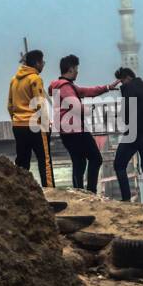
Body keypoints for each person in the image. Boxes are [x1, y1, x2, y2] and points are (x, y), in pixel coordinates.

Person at [48, 55, 118, 192]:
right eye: (76, 68)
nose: (77, 71)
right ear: (70, 69)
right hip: (75, 131)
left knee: (79, 162)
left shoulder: (64, 86)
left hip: (67, 132)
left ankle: (79, 191)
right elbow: (77, 107)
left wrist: (108, 87)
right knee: (95, 159)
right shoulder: (65, 87)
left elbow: (88, 91)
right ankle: (90, 191)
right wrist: (88, 109)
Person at [7, 49, 54, 187]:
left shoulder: (13, 80)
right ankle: (51, 194)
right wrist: (45, 125)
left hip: (18, 126)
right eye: (42, 62)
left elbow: (9, 105)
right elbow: (40, 104)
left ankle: (21, 191)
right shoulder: (35, 78)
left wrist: (16, 120)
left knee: (22, 162)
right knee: (44, 161)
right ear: (37, 63)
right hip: (35, 126)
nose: (43, 65)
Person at [112, 67, 143, 203]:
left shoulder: (129, 89)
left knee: (119, 165)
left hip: (133, 134)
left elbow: (126, 115)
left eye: (121, 82)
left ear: (126, 78)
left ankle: (126, 198)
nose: (122, 85)